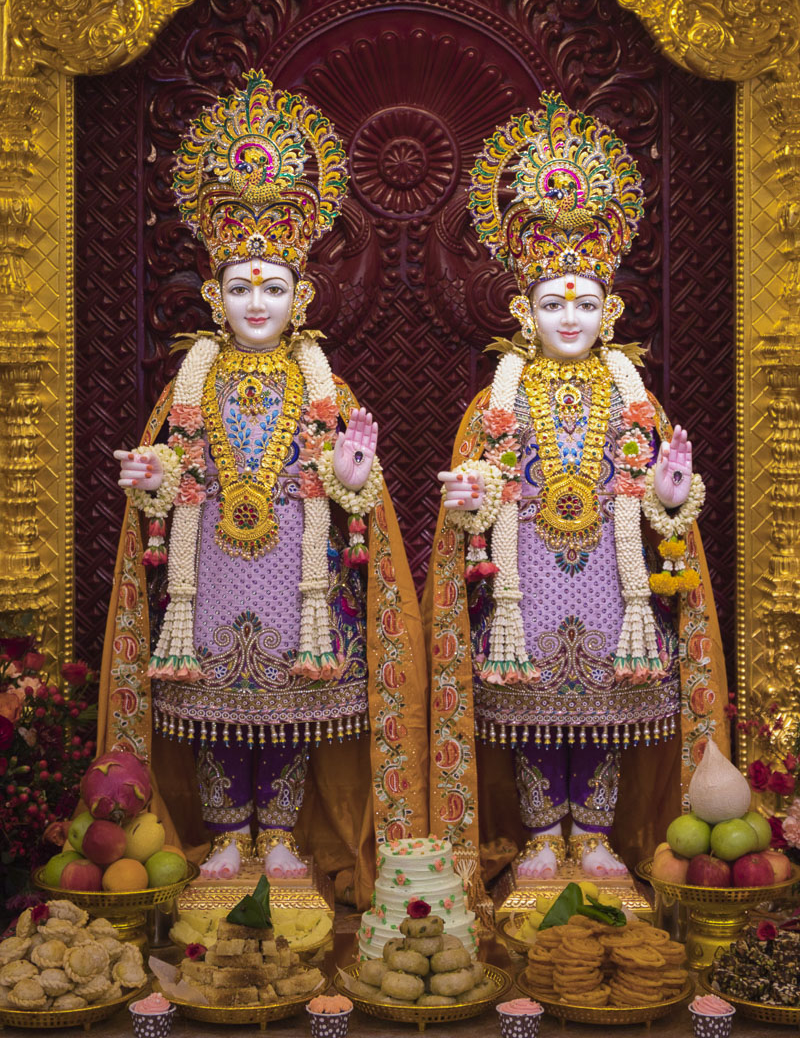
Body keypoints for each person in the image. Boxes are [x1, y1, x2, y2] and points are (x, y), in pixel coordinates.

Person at [97, 71, 428, 900]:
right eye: (240, 287)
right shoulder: (187, 386)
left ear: (302, 295)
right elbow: (172, 475)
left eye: (273, 288)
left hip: (298, 582)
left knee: (289, 709)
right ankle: (221, 837)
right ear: (214, 295)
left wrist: (353, 476)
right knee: (215, 710)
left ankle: (277, 834)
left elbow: (359, 498)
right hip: (205, 578)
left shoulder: (324, 389)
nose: (256, 302)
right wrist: (151, 479)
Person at [428, 94, 728, 879]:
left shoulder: (636, 400)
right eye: (553, 302)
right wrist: (470, 502)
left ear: (613, 310)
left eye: (586, 303)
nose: (570, 316)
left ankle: (592, 840)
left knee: (603, 715)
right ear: (524, 311)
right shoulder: (494, 403)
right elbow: (478, 498)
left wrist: (670, 493)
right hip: (524, 593)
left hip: (614, 588)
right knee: (532, 719)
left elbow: (671, 515)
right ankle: (536, 842)